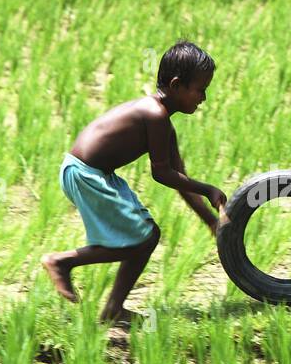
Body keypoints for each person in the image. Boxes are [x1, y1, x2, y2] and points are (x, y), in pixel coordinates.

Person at [41, 40, 227, 324]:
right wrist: (208, 189)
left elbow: (180, 178)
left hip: (96, 173)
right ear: (177, 85)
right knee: (141, 239)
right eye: (200, 89)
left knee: (148, 236)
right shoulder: (154, 115)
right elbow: (161, 174)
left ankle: (114, 310)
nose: (204, 98)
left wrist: (211, 221)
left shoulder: (164, 122)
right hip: (85, 173)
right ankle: (62, 261)